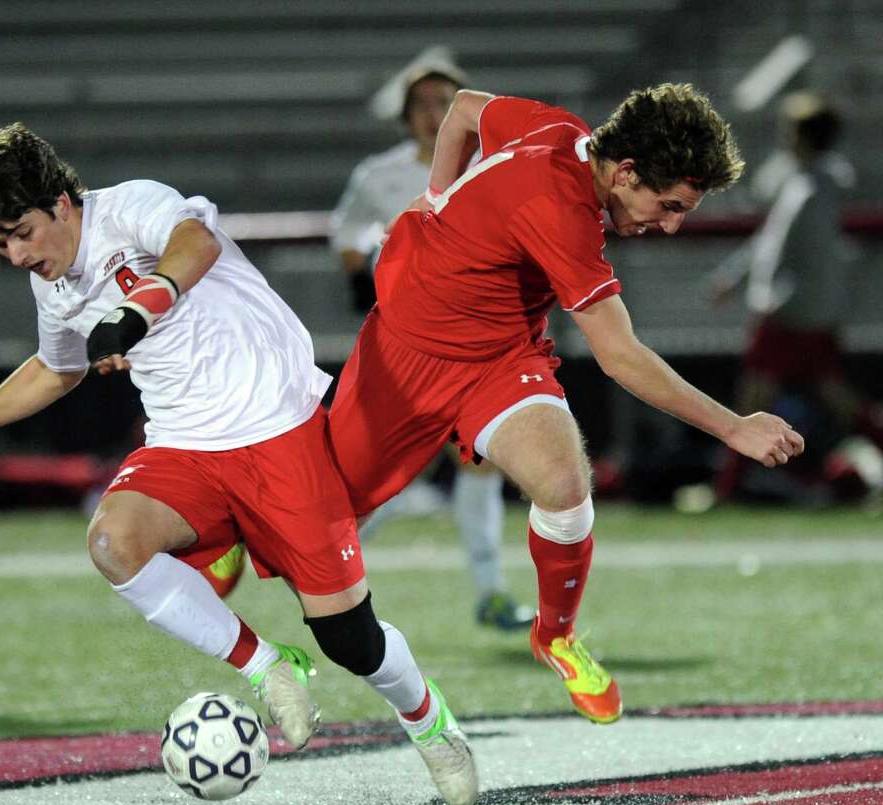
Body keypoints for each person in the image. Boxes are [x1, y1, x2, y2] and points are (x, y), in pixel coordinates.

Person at [0, 123, 478, 805]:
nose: (17, 254)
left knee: (351, 641)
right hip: (183, 447)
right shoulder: (52, 287)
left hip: (279, 428)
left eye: (21, 231)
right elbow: (57, 368)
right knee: (115, 542)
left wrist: (137, 311)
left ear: (60, 201)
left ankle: (429, 722)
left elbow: (195, 243)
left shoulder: (129, 206)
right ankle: (265, 665)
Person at [328, 83, 805, 725]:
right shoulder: (559, 207)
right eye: (669, 206)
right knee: (315, 521)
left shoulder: (562, 133)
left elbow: (465, 108)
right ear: (627, 172)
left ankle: (555, 635)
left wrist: (437, 191)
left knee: (562, 481)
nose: (671, 226)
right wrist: (733, 426)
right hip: (405, 356)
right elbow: (622, 356)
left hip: (499, 358)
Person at [330, 47, 533, 631]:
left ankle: (492, 591)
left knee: (480, 464)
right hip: (402, 351)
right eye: (422, 103)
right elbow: (345, 240)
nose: (433, 111)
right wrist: (375, 262)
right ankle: (323, 569)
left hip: (473, 348)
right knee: (368, 475)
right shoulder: (379, 176)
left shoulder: (494, 167)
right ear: (405, 114)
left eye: (445, 101)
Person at [711, 91, 883, 501]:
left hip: (793, 316)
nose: (783, 137)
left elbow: (817, 260)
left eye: (790, 130)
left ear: (805, 137)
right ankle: (728, 486)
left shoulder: (816, 191)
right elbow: (771, 244)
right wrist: (734, 280)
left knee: (754, 397)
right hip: (805, 315)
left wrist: (783, 306)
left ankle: (725, 489)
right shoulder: (803, 184)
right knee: (834, 394)